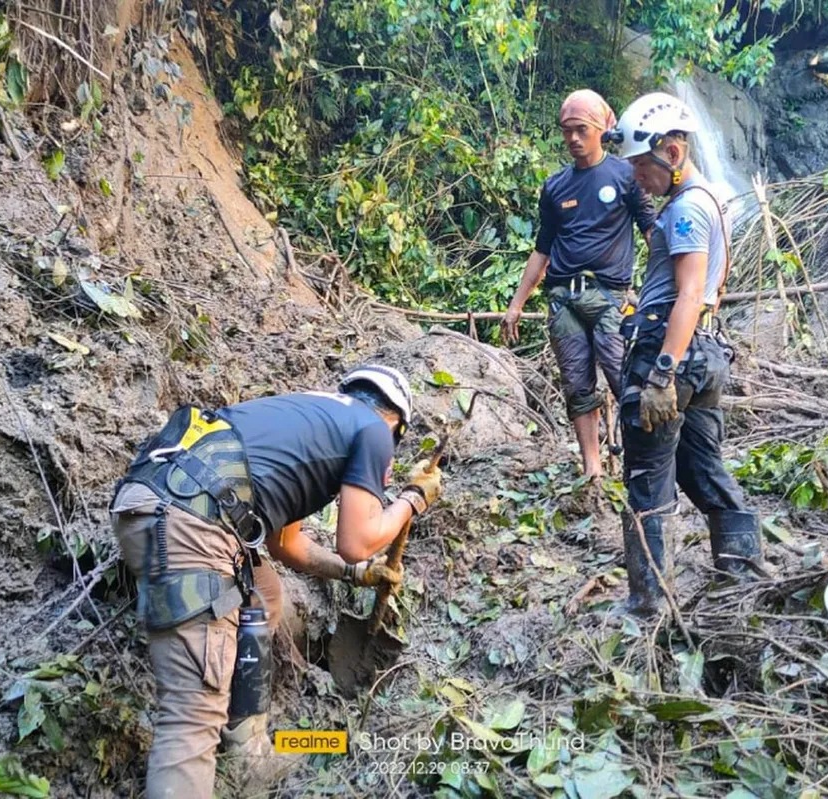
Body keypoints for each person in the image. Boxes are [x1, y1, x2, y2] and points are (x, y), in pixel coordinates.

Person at [109, 365, 443, 798]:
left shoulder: (310, 415)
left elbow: (287, 545)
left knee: (264, 592)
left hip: (151, 502)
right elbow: (357, 541)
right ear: (395, 423)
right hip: (192, 525)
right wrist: (413, 500)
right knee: (191, 715)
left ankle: (247, 749)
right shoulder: (375, 430)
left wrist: (355, 574)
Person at [611, 92, 764, 615]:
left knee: (647, 479)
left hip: (671, 354)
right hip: (706, 354)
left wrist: (661, 374)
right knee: (702, 469)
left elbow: (690, 293)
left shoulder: (685, 211)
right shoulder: (708, 201)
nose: (637, 178)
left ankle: (648, 605)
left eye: (641, 166)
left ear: (672, 153)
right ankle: (742, 574)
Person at [501, 88, 656, 479]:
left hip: (610, 297)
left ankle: (646, 465)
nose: (573, 138)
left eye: (581, 129)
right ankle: (592, 469)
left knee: (625, 378)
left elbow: (652, 232)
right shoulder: (556, 186)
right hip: (563, 300)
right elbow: (542, 249)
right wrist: (516, 304)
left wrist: (667, 289)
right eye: (567, 130)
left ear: (602, 128)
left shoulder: (626, 175)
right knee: (577, 385)